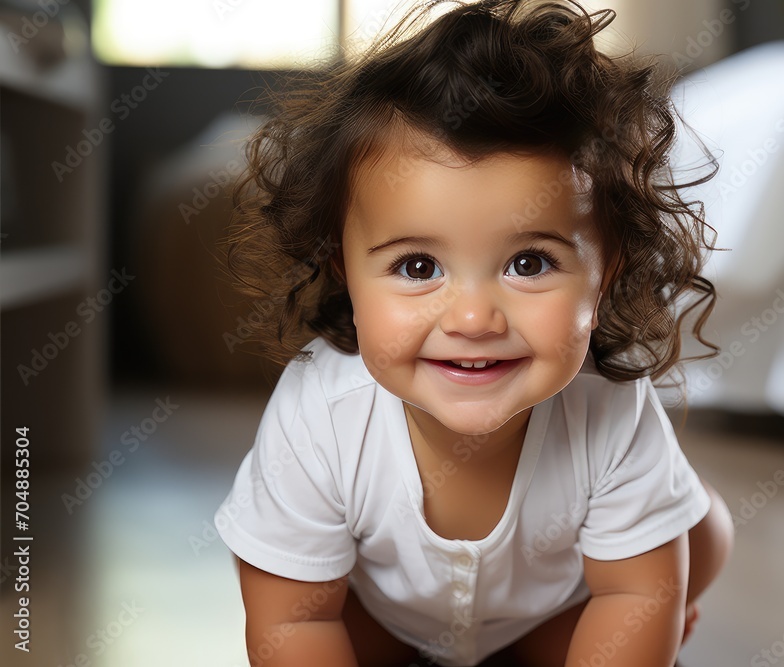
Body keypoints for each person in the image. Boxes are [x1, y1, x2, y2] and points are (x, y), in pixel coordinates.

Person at [214, 1, 733, 665]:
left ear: (605, 275)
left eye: (529, 263)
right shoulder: (320, 412)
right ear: (344, 271)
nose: (472, 319)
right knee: (304, 596)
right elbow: (292, 620)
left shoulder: (610, 410)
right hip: (384, 620)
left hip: (549, 611)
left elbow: (634, 592)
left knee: (696, 534)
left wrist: (641, 616)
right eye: (418, 267)